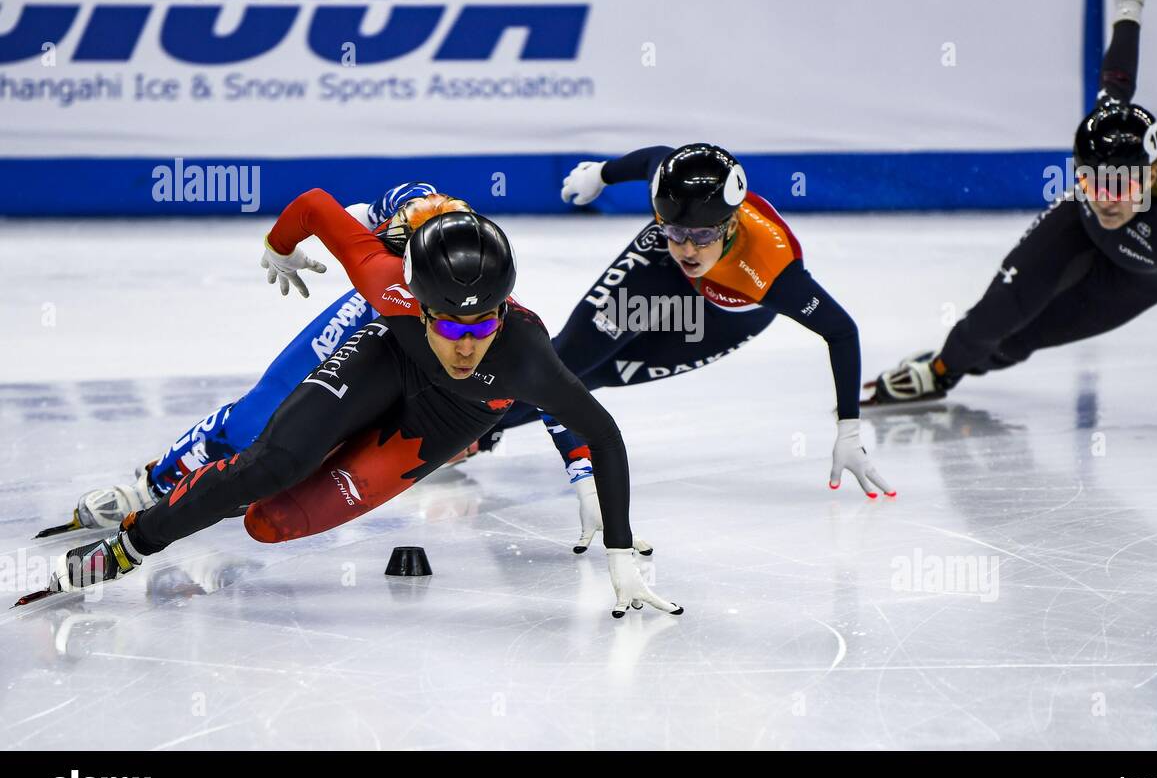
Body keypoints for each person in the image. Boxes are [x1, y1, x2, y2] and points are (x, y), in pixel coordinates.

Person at [27, 198, 681, 619]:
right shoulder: (382, 279)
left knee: (271, 522)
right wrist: (278, 248)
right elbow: (313, 206)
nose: (468, 344)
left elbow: (603, 433)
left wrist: (620, 554)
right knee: (271, 462)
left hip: (444, 424)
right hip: (385, 357)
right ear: (414, 302)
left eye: (483, 326)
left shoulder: (523, 355)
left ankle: (194, 495)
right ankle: (134, 539)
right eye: (451, 327)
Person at [863, 0, 1157, 439]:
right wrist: (1129, 4)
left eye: (1122, 188)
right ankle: (939, 372)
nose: (1107, 201)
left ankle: (964, 365)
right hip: (1076, 232)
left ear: (1152, 178)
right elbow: (1119, 72)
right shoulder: (1106, 129)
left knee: (1027, 337)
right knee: (999, 312)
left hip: (1137, 279)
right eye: (1091, 183)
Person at [481, 142, 894, 552]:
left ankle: (480, 430)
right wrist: (602, 174)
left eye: (702, 235)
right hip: (658, 273)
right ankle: (471, 419)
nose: (689, 249)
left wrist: (849, 429)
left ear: (730, 224)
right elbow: (654, 156)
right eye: (676, 231)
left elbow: (841, 331)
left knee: (602, 374)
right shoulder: (674, 198)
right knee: (567, 360)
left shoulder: (773, 271)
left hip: (723, 317)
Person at [43, 182, 464, 539]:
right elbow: (327, 211)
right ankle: (155, 484)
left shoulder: (482, 297)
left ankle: (476, 438)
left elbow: (524, 364)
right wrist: (280, 245)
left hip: (436, 341)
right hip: (378, 309)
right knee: (257, 417)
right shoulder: (410, 206)